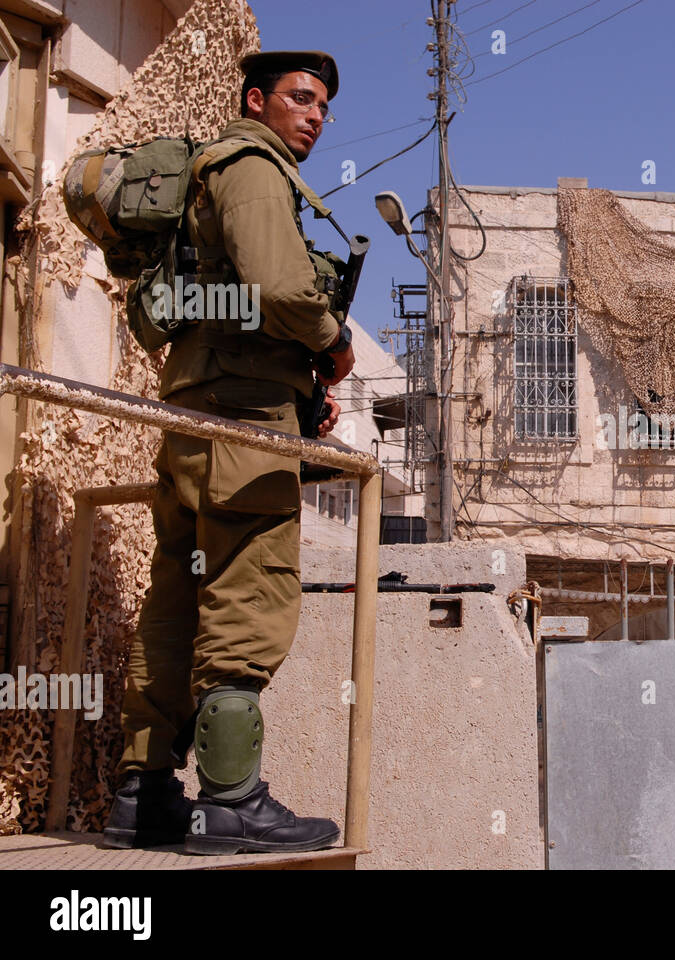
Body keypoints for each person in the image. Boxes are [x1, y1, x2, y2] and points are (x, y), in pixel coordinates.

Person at [103, 51, 358, 855]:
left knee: (176, 599)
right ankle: (230, 800)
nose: (316, 116)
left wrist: (301, 390)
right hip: (240, 424)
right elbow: (279, 286)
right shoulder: (251, 164)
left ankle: (143, 794)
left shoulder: (218, 171)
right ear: (258, 100)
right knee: (247, 593)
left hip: (197, 417)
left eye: (324, 106)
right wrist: (333, 340)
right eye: (301, 99)